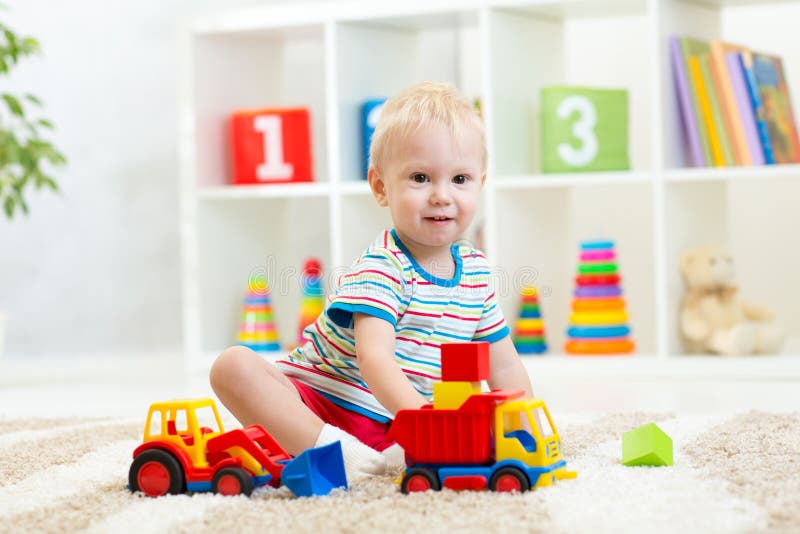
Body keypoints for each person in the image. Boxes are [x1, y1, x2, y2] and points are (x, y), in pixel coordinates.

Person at [210, 81, 534, 483]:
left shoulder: (478, 274)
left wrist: (520, 425)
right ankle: (327, 448)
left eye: (460, 179)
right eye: (420, 177)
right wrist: (423, 420)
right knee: (232, 366)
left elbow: (503, 363)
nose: (441, 196)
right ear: (381, 186)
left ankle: (377, 456)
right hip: (324, 400)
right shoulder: (383, 267)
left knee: (474, 427)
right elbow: (375, 359)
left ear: (480, 184)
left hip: (399, 420)